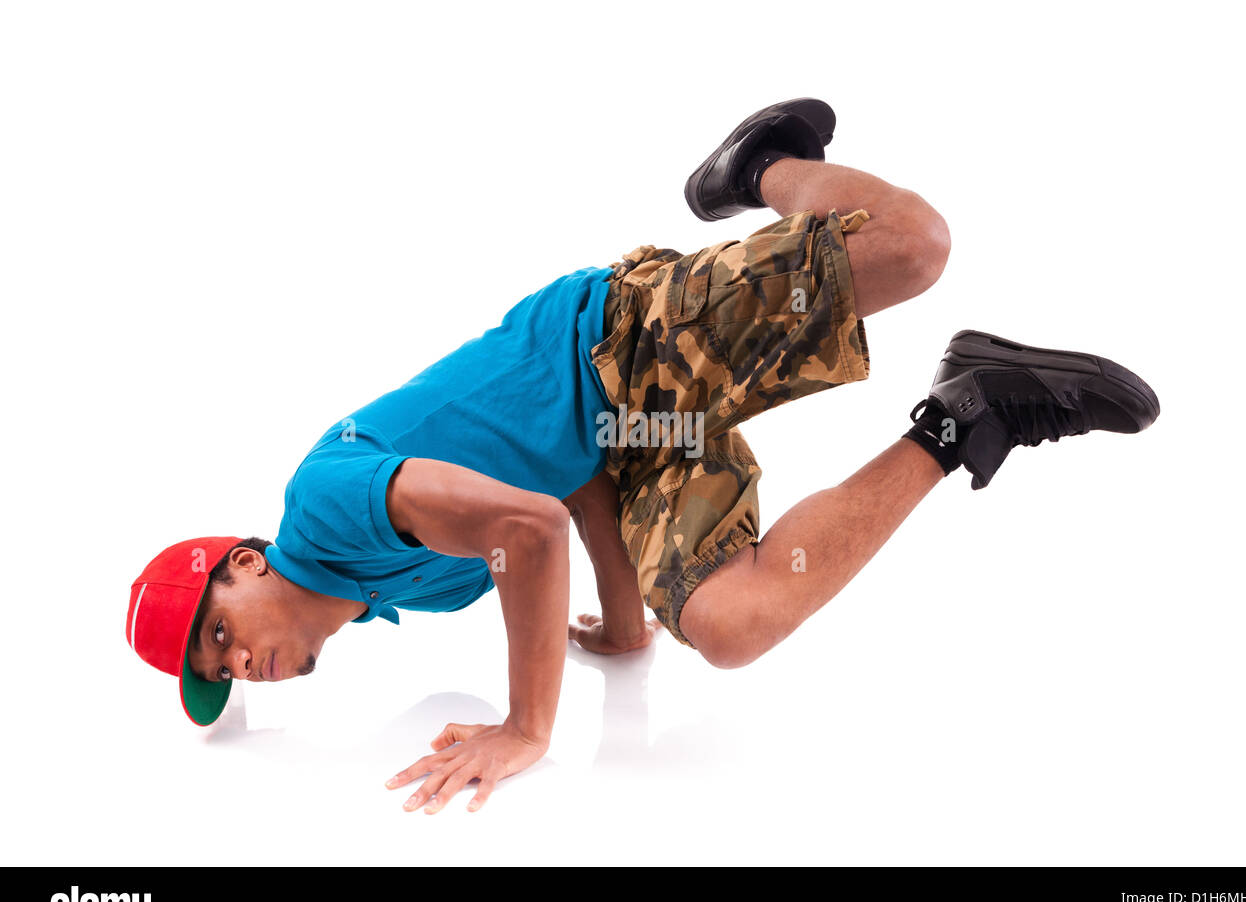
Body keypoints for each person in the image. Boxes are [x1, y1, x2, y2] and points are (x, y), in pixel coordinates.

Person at [124, 99, 1159, 814]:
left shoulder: (324, 505)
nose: (235, 661)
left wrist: (527, 726)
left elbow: (527, 530)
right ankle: (967, 412)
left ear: (244, 563)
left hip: (615, 340)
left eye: (217, 629)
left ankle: (763, 163)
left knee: (911, 245)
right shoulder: (398, 595)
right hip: (626, 441)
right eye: (217, 669)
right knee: (731, 625)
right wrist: (626, 630)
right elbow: (568, 482)